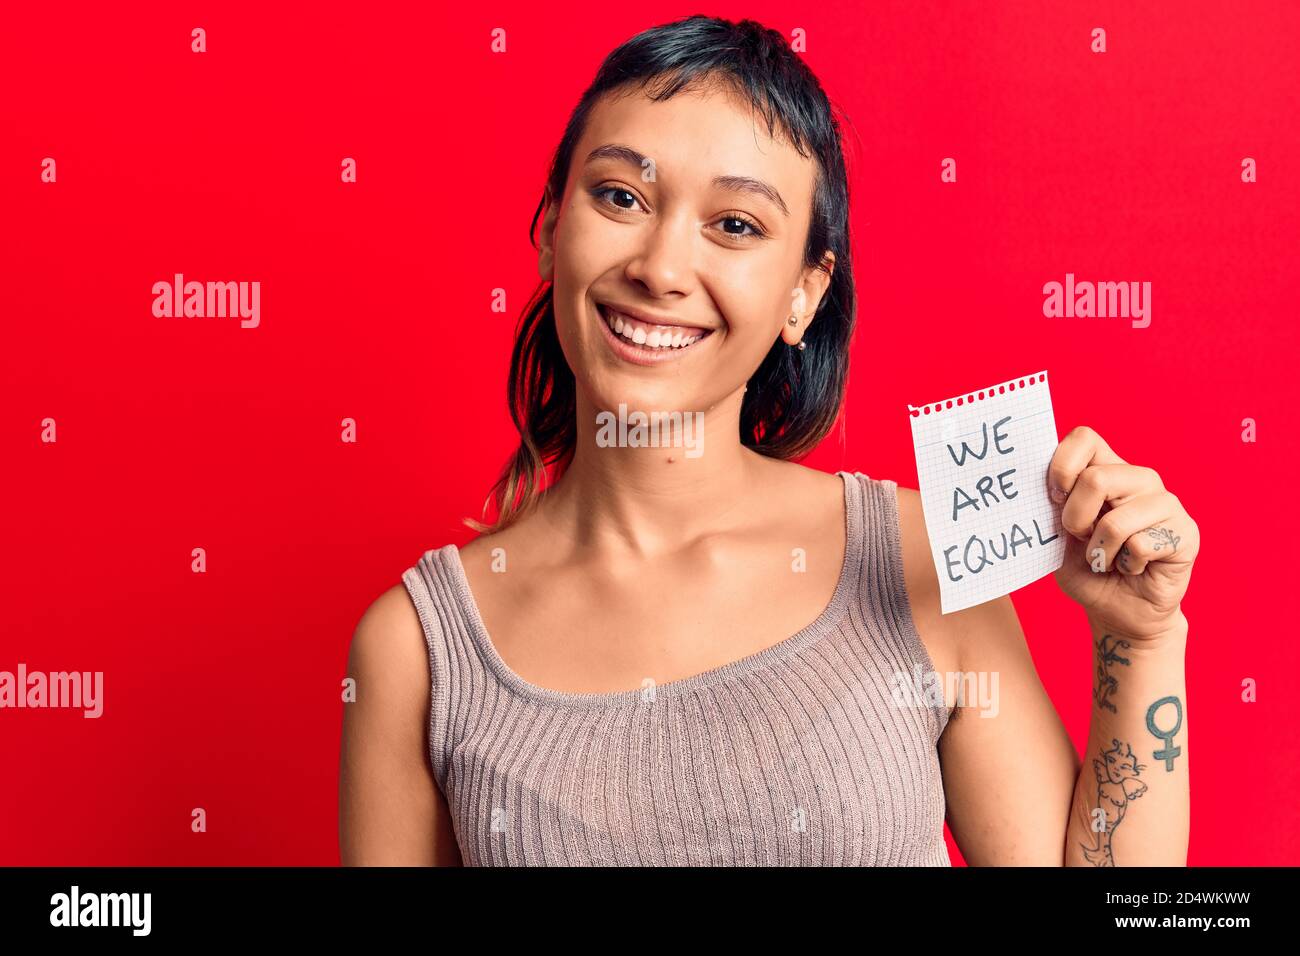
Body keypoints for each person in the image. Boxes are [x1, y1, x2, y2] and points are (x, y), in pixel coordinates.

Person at [338, 15, 1198, 866]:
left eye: (736, 225)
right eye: (621, 197)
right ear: (551, 224)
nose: (663, 267)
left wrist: (1142, 640)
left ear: (804, 294)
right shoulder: (418, 652)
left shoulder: (919, 559)